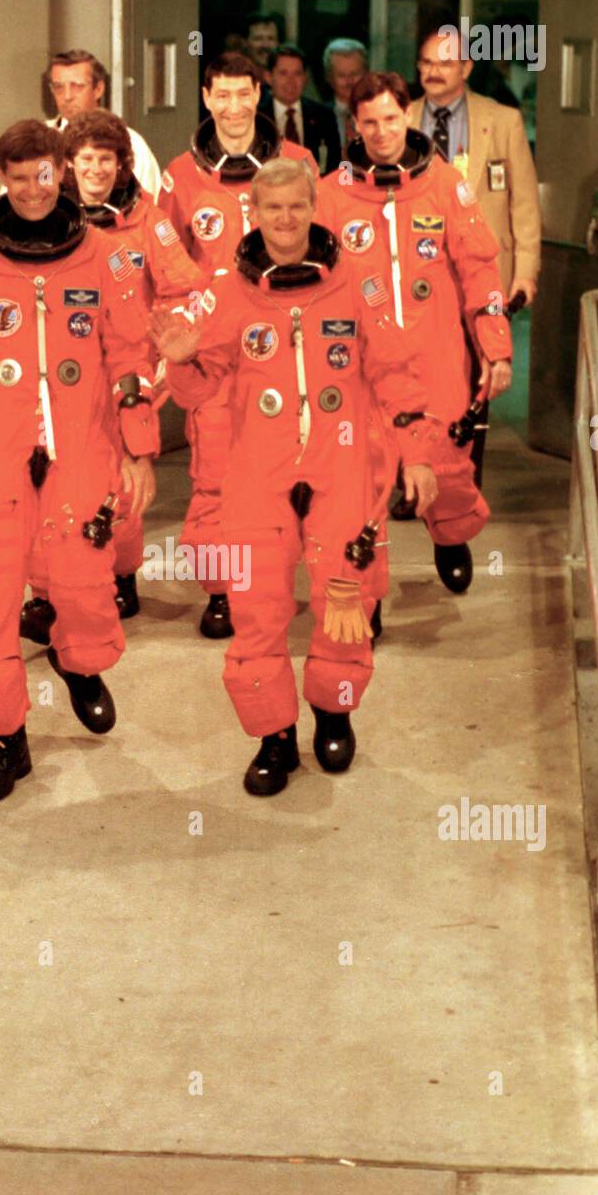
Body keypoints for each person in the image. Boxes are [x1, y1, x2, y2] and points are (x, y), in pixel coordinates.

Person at [151, 157, 438, 796]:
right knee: (256, 609)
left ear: (315, 209)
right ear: (252, 213)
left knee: (346, 598)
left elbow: (395, 372)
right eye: (271, 208)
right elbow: (202, 388)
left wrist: (418, 451)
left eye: (296, 207)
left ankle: (333, 711)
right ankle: (272, 735)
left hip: (340, 469)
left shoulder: (358, 284)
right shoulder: (227, 291)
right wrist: (181, 361)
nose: (285, 221)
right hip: (257, 476)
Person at [0, 119, 158, 804]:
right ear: (3, 179)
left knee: (84, 578)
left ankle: (79, 664)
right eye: (18, 178)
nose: (31, 189)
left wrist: (141, 447)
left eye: (43, 175)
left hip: (82, 453)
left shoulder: (109, 257)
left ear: (63, 172)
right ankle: (5, 738)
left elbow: (130, 358)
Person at [315, 71, 513, 597]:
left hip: (438, 354)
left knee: (447, 463)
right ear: (354, 125)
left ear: (408, 114)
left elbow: (481, 270)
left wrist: (495, 349)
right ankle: (365, 589)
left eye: (390, 118)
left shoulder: (446, 185)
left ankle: (450, 535)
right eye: (369, 123)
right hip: (363, 361)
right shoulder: (330, 195)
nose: (381, 132)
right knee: (365, 477)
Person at [19, 108, 204, 643]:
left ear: (122, 164)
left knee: (121, 485)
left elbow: (185, 287)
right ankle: (44, 593)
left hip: (126, 374)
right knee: (46, 483)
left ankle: (121, 577)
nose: (96, 169)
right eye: (85, 160)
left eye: (106, 159)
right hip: (57, 376)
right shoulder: (48, 216)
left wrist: (167, 355)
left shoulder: (149, 220)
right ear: (68, 166)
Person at [158, 52, 318, 638]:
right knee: (215, 476)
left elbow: (324, 245)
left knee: (293, 469)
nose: (232, 107)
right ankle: (223, 590)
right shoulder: (180, 175)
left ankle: (280, 581)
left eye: (242, 94)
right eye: (220, 95)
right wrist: (185, 329)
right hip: (217, 355)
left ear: (259, 95)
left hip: (284, 346)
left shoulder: (298, 162)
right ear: (207, 97)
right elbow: (165, 263)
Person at [410, 27, 541, 484]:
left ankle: (464, 480)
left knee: (477, 379)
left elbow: (523, 204)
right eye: (425, 63)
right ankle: (415, 479)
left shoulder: (501, 120)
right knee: (416, 383)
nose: (432, 72)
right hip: (417, 276)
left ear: (466, 68)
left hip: (481, 273)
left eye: (443, 63)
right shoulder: (400, 119)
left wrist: (525, 273)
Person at [46, 49, 162, 201]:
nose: (67, 96)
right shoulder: (38, 142)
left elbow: (148, 203)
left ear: (98, 89)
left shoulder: (130, 143)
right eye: (58, 87)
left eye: (77, 86)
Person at [265, 44, 342, 175]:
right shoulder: (257, 117)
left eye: (297, 73)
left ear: (305, 78)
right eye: (283, 73)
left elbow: (337, 164)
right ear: (268, 77)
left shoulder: (324, 115)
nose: (291, 81)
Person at [322, 38, 368, 147]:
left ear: (366, 73)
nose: (349, 81)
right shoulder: (318, 118)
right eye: (342, 75)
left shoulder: (379, 114)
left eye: (354, 73)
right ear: (329, 78)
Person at [245, 11, 284, 88]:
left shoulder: (289, 79)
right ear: (246, 43)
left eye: (271, 39)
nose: (265, 45)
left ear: (278, 43)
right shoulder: (234, 79)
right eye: (258, 39)